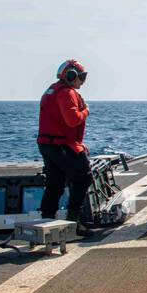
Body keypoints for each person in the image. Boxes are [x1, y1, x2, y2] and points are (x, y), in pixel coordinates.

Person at [37, 58, 93, 236]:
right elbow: (72, 120)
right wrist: (86, 111)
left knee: (55, 183)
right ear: (71, 76)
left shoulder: (51, 91)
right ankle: (73, 221)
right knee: (83, 178)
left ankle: (47, 221)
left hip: (48, 144)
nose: (82, 81)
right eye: (81, 77)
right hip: (62, 145)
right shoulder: (66, 93)